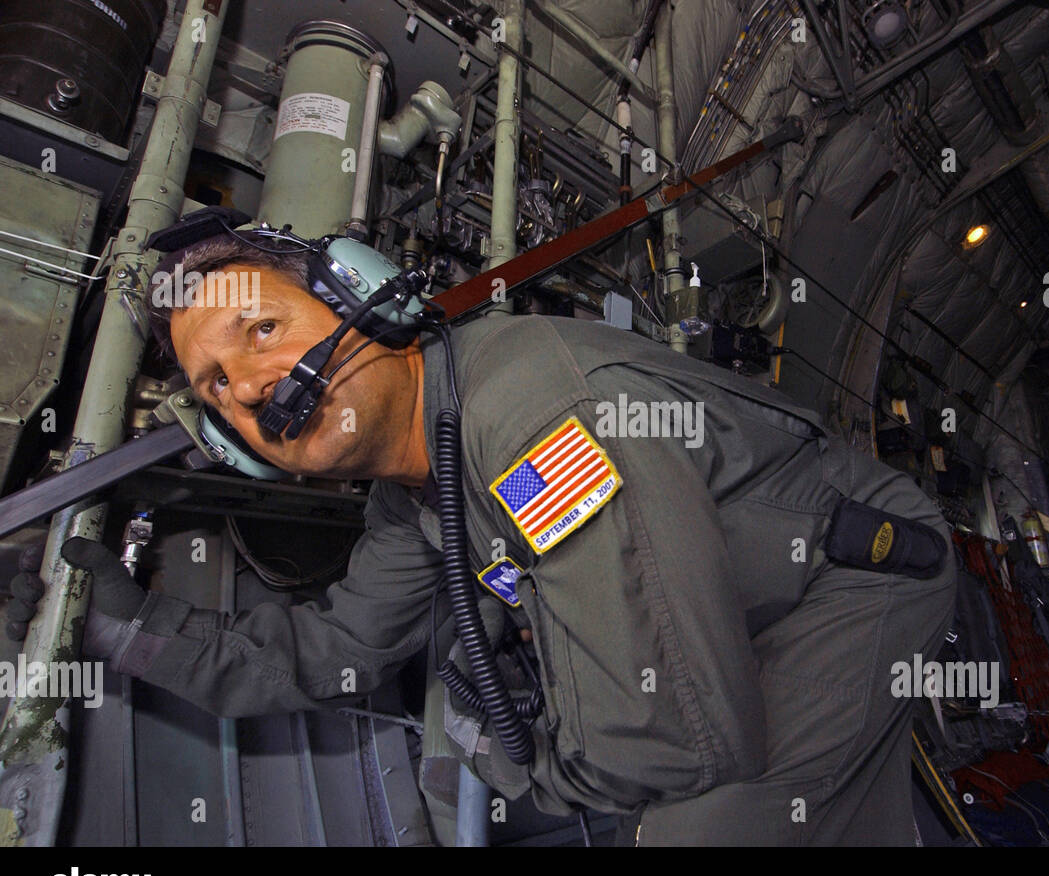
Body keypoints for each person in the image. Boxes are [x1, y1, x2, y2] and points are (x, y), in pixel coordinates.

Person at [56, 232, 957, 845]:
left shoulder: (532, 412)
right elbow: (336, 648)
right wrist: (133, 632)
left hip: (853, 576)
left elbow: (670, 740)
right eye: (216, 387)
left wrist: (511, 761)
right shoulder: (414, 490)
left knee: (696, 827)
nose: (250, 388)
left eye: (262, 330)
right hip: (735, 610)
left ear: (363, 301)